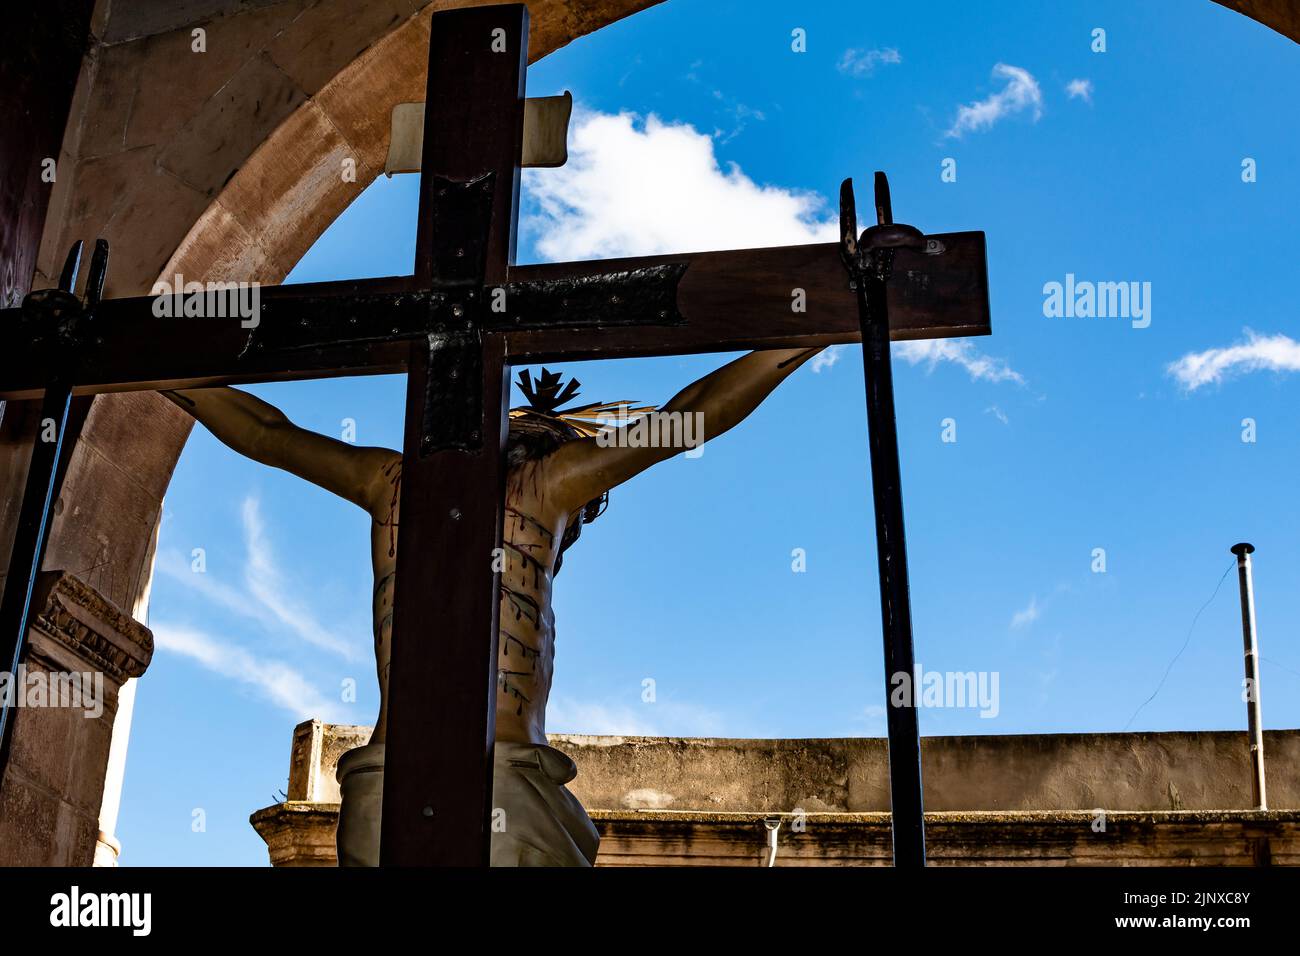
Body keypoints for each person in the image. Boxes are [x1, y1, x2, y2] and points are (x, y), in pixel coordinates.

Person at [162, 345, 822, 865]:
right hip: (502, 778)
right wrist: (813, 329)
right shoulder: (549, 487)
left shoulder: (389, 482)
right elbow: (692, 414)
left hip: (387, 786)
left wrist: (165, 371)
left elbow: (264, 433)